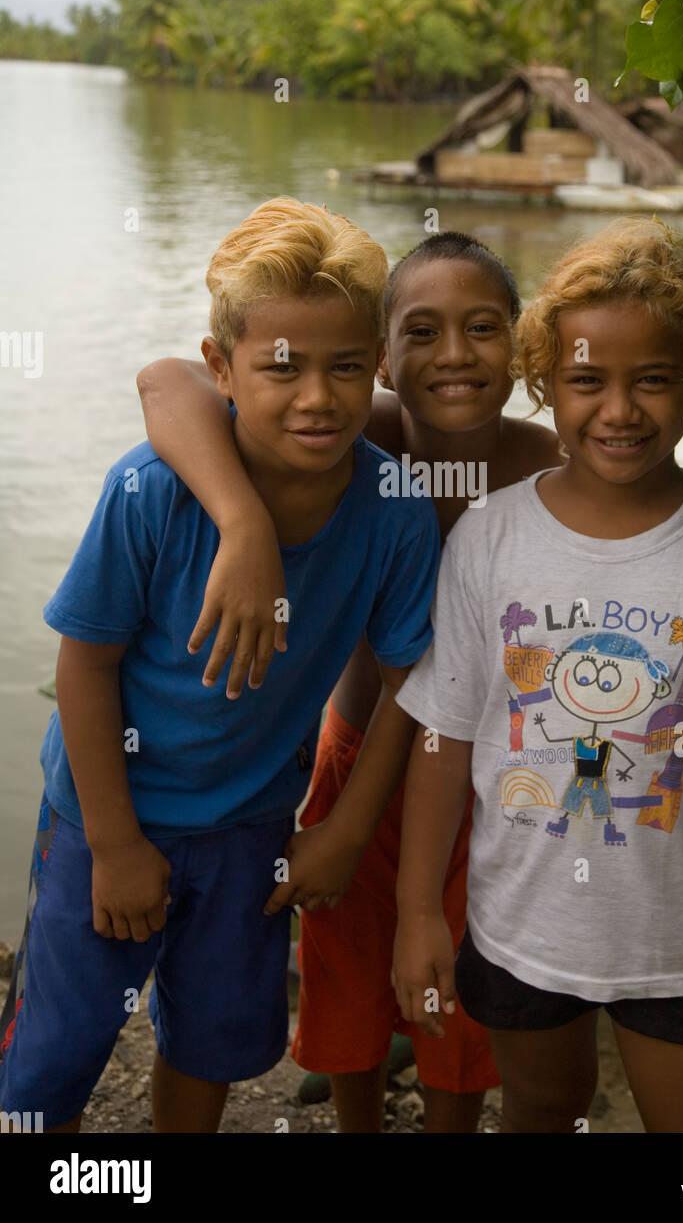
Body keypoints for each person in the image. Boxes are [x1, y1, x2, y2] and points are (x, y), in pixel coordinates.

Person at [391, 217, 683, 1134]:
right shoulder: (491, 537)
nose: (619, 410)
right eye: (586, 381)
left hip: (679, 941)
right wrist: (420, 916)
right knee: (545, 1105)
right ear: (544, 382)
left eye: (653, 380)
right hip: (517, 927)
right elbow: (443, 744)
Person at [0, 197, 439, 1134]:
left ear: (381, 369)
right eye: (281, 366)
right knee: (53, 1056)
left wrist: (347, 830)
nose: (317, 395)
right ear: (222, 368)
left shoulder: (393, 508)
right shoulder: (151, 494)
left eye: (346, 367)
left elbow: (413, 679)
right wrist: (117, 846)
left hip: (251, 823)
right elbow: (85, 669)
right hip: (106, 810)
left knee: (213, 1039)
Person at [135, 230, 563, 1133]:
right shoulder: (354, 432)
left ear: (521, 349)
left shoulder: (546, 467)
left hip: (495, 776)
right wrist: (242, 522)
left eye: (482, 327)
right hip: (360, 755)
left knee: (463, 983)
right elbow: (168, 382)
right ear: (383, 358)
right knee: (347, 971)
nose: (452, 354)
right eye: (421, 331)